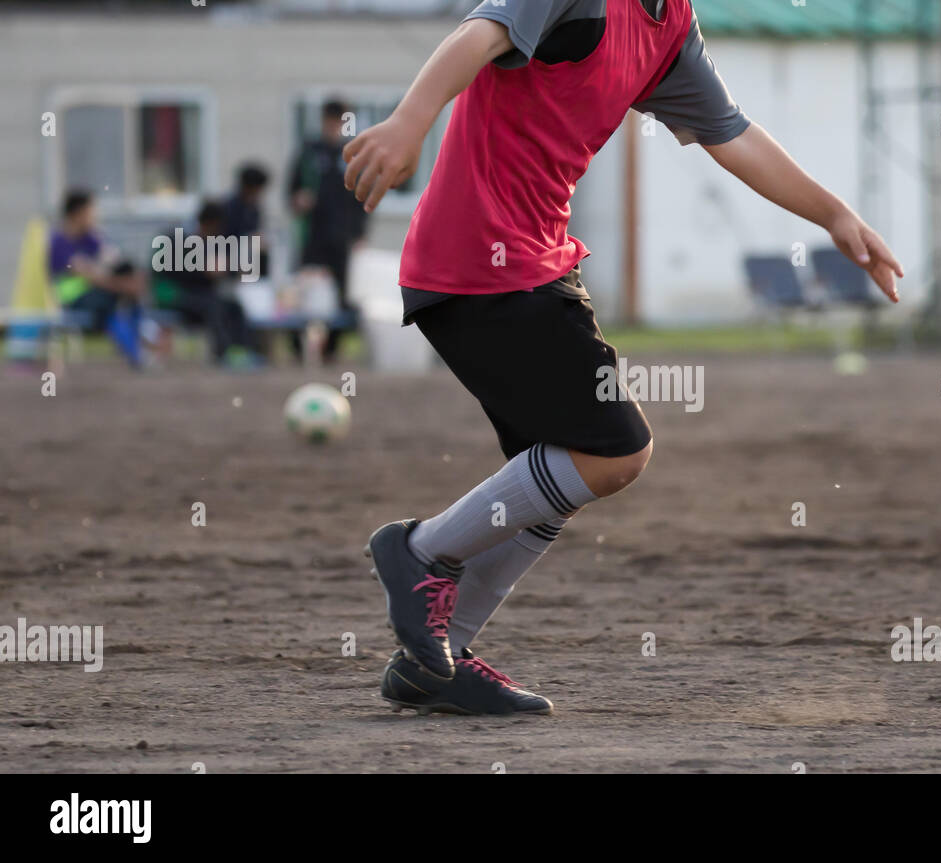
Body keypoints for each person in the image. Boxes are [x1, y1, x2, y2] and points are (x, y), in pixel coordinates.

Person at [346, 0, 903, 715]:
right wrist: (408, 122)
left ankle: (437, 656)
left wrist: (835, 216)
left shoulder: (669, 24)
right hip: (477, 260)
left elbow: (730, 134)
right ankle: (419, 551)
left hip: (535, 265)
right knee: (616, 450)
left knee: (565, 470)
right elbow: (479, 33)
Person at [288, 100, 368, 362]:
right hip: (312, 237)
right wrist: (298, 200)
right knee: (304, 292)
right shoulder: (309, 153)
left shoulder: (356, 152)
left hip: (343, 238)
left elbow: (364, 196)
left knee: (345, 297)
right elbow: (291, 191)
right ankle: (299, 352)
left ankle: (331, 351)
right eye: (332, 121)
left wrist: (359, 235)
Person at [49, 190, 148, 368]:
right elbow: (89, 276)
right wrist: (124, 286)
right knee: (111, 301)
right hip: (72, 299)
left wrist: (131, 279)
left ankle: (141, 347)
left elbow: (113, 259)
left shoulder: (91, 238)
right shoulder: (60, 241)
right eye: (91, 211)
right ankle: (138, 353)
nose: (95, 216)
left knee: (130, 287)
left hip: (97, 293)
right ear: (78, 213)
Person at [166, 200, 260, 366]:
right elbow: (177, 275)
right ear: (209, 224)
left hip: (202, 296)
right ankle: (223, 354)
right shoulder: (177, 240)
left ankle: (243, 351)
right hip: (176, 295)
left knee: (234, 306)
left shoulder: (212, 243)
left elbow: (220, 270)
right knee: (213, 305)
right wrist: (204, 269)